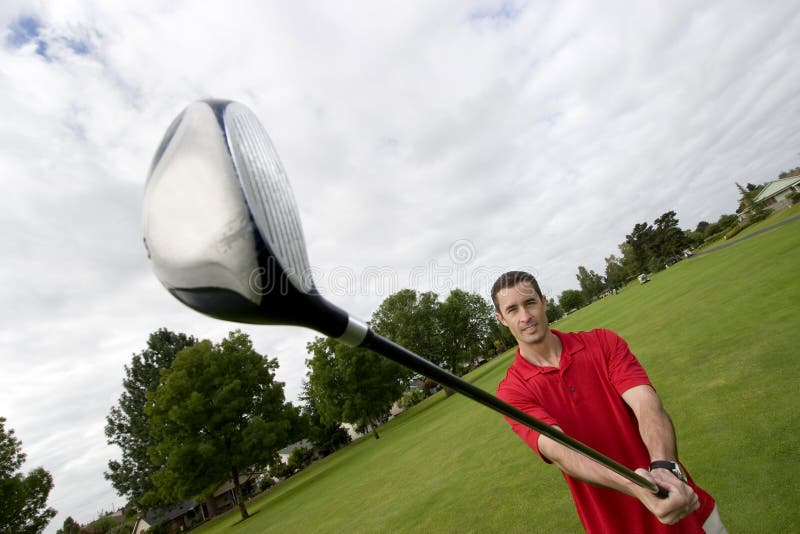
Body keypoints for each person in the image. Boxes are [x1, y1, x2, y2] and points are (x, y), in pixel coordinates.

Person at [492, 271, 727, 533]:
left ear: (544, 302)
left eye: (530, 303)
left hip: (687, 511)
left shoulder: (603, 342)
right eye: (512, 309)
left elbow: (646, 403)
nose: (525, 316)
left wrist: (664, 467)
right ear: (501, 319)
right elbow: (562, 452)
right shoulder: (512, 392)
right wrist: (635, 486)